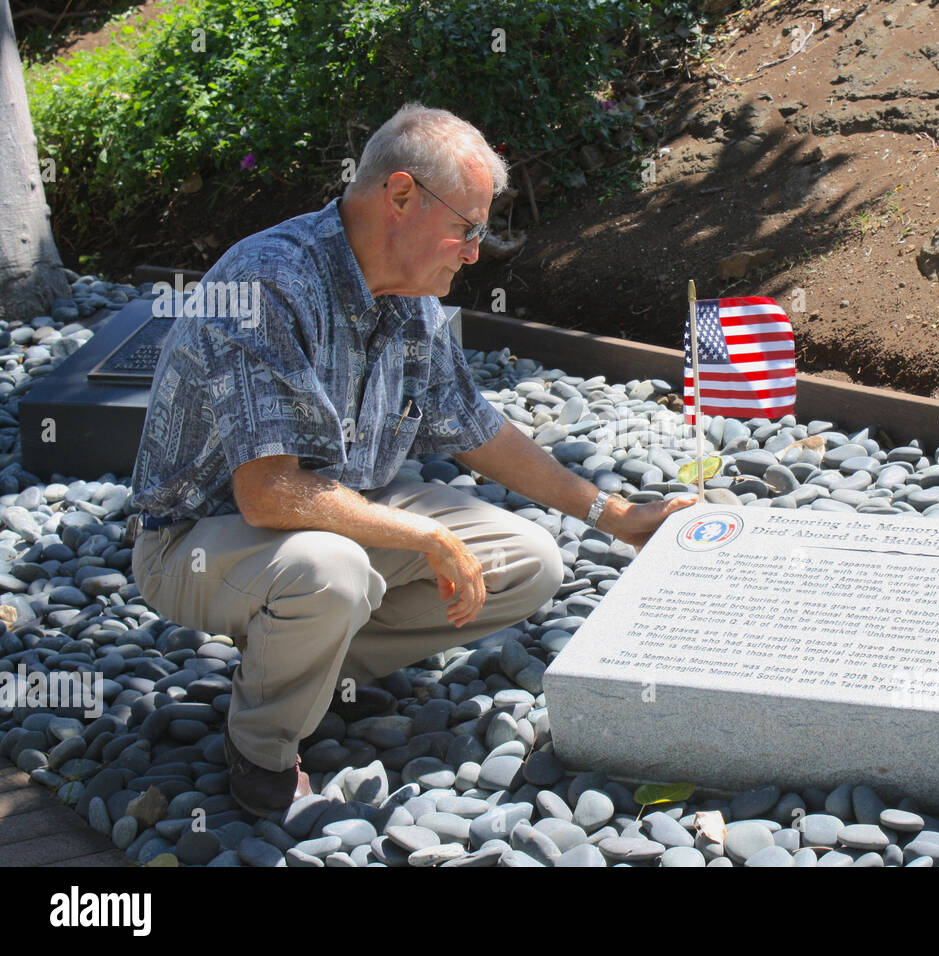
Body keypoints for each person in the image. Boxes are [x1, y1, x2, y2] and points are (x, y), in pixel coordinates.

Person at [128, 103, 694, 817]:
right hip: (197, 539)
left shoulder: (410, 296)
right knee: (333, 574)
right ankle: (262, 745)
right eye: (466, 227)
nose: (473, 252)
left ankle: (303, 667)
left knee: (529, 559)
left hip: (335, 513)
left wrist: (614, 515)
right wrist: (427, 536)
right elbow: (268, 495)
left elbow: (476, 428)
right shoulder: (268, 284)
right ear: (400, 196)